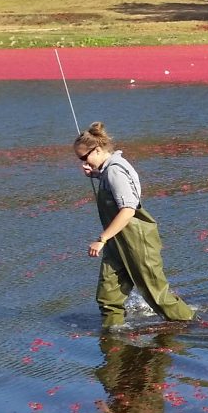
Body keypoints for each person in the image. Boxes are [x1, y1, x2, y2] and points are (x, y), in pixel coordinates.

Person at [73, 122, 194, 330]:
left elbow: (128, 210)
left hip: (137, 239)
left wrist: (102, 239)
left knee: (156, 296)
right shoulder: (107, 170)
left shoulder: (115, 171)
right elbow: (111, 185)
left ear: (99, 150)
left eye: (85, 158)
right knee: (108, 296)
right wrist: (94, 173)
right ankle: (113, 336)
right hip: (117, 241)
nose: (83, 162)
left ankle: (192, 326)